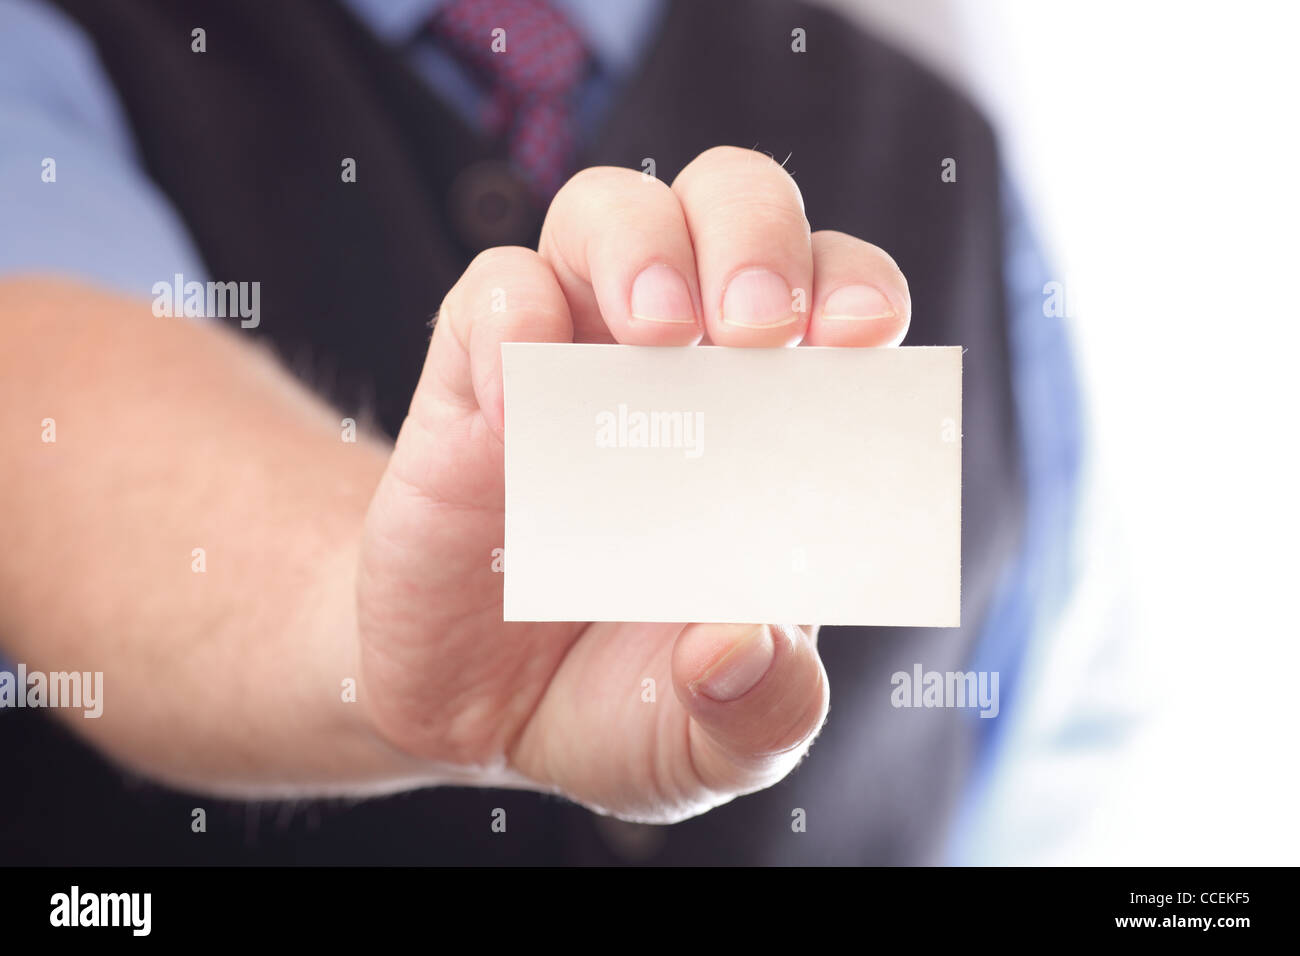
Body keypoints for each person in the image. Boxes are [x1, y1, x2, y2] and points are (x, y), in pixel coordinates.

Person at [0, 0, 1082, 863]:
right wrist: (365, 630)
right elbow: (76, 436)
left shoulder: (951, 147)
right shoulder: (43, 53)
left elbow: (1047, 773)